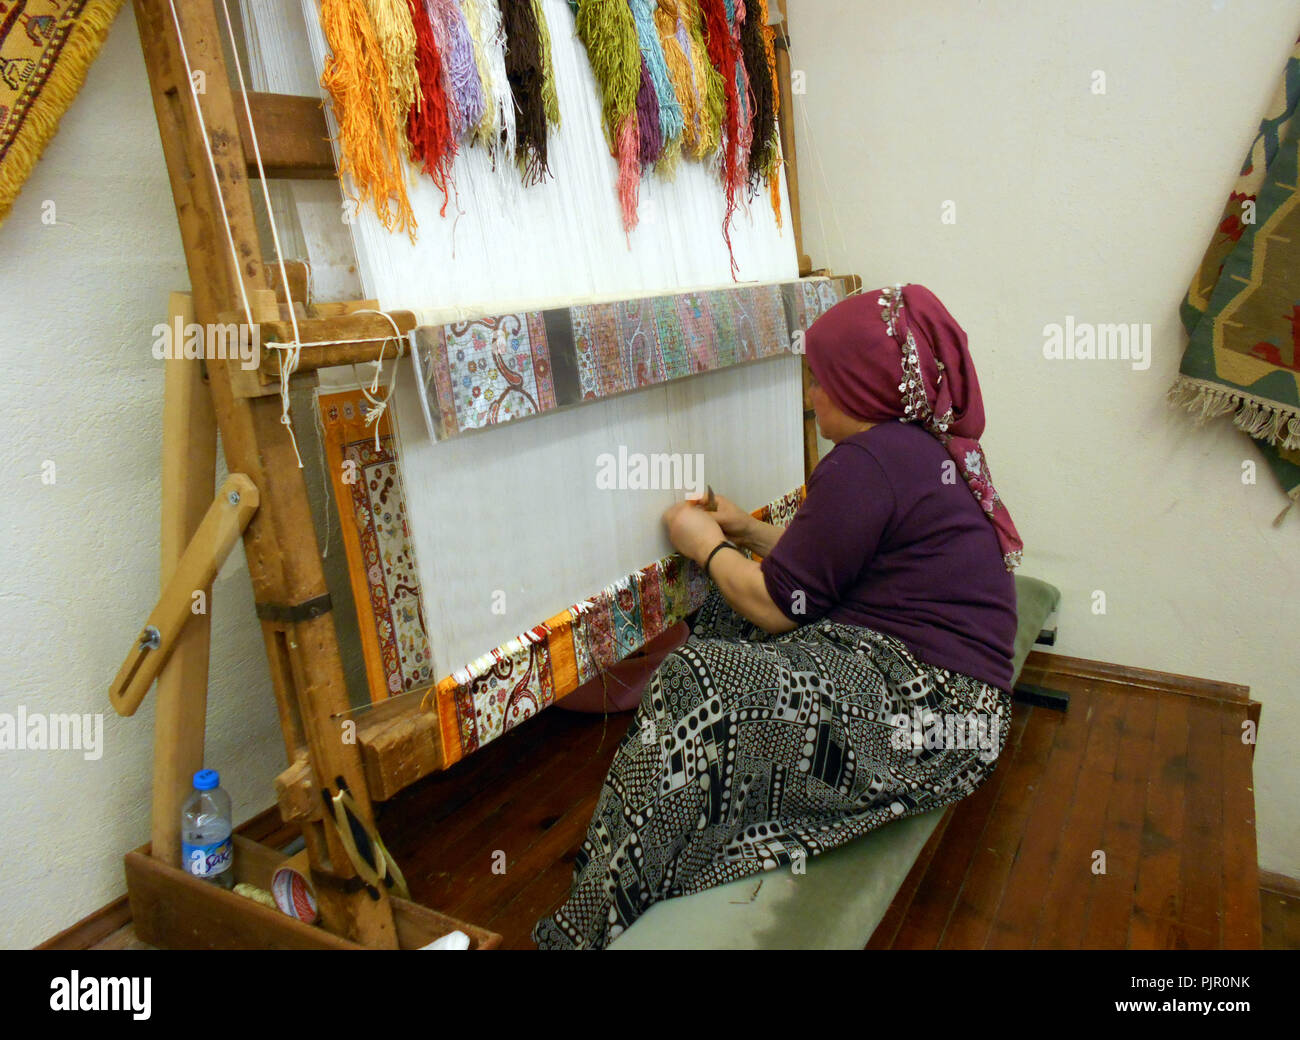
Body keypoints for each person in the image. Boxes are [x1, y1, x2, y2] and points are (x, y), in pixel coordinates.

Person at [532, 283, 1024, 950]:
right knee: (721, 625)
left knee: (697, 681)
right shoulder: (916, 449)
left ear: (865, 386)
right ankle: (670, 839)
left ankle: (585, 928)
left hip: (927, 713)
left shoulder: (869, 460)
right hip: (957, 713)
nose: (810, 397)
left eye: (822, 381)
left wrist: (702, 541)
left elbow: (780, 603)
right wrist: (746, 532)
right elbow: (836, 566)